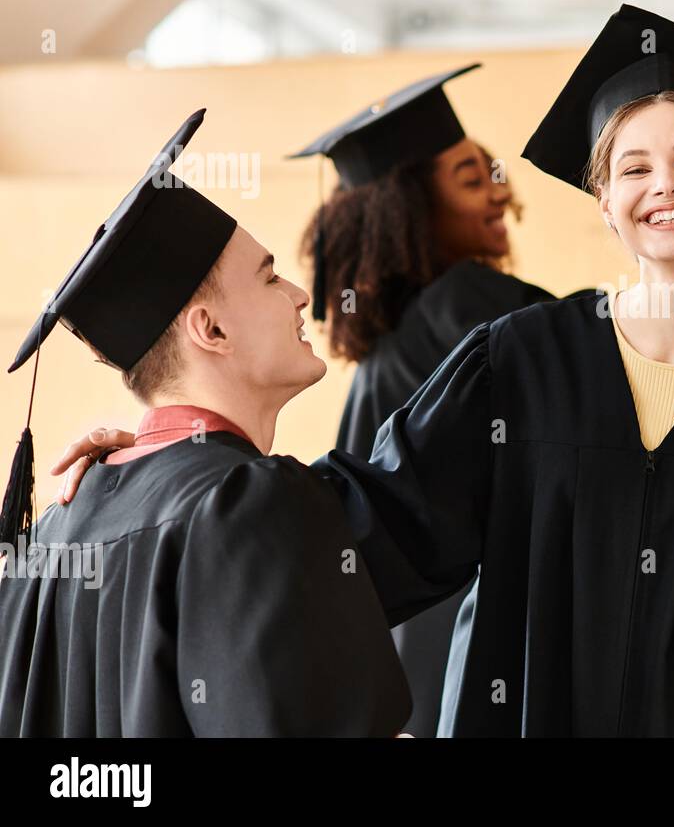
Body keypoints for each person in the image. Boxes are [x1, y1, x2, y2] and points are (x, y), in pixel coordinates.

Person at [54, 7, 674, 737]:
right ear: (603, 200)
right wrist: (175, 472)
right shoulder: (521, 358)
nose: (668, 185)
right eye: (633, 167)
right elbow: (374, 516)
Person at [0, 110, 410, 736]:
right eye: (270, 276)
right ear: (211, 330)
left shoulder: (53, 533)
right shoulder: (250, 502)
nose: (301, 294)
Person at [291, 68, 553, 735]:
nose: (500, 191)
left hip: (415, 652)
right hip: (476, 628)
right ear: (412, 207)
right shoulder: (460, 300)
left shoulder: (392, 346)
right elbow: (610, 340)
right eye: (472, 179)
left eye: (491, 171)